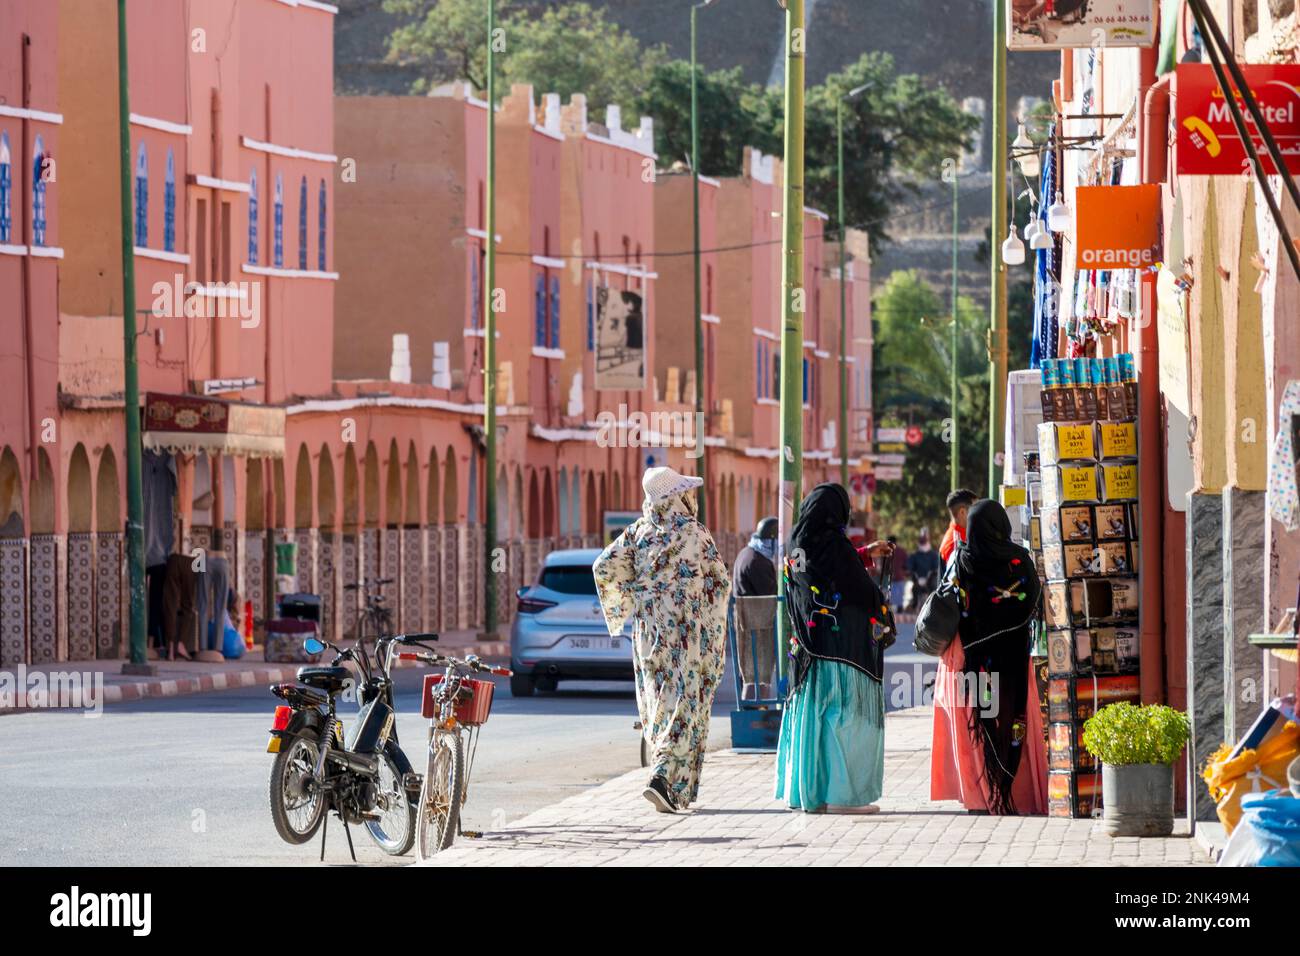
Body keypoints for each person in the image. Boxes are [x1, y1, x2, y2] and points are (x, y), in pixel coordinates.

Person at [593, 466, 730, 814]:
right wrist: (704, 613)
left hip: (649, 634)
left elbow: (603, 567)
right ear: (678, 496)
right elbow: (721, 582)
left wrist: (632, 600)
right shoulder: (694, 534)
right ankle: (663, 776)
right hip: (688, 636)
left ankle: (668, 785)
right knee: (686, 703)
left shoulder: (638, 532)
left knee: (658, 701)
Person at [775, 483, 895, 814]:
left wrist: (862, 554)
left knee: (810, 719)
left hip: (807, 654)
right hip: (839, 656)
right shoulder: (832, 544)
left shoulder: (797, 542)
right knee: (842, 721)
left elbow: (826, 574)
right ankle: (842, 797)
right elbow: (856, 588)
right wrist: (880, 605)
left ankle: (804, 793)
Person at [931, 499, 1046, 815]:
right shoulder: (1019, 561)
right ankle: (1018, 796)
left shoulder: (963, 560)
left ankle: (983, 797)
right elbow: (1034, 600)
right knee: (1013, 723)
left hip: (975, 663)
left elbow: (950, 602)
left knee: (980, 733)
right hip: (1014, 664)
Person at [732, 516, 779, 700]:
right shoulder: (757, 560)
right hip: (757, 628)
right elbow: (770, 596)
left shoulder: (747, 552)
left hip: (749, 625)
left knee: (753, 679)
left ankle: (754, 714)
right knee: (757, 680)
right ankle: (755, 718)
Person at [906, 528, 941, 610]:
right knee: (914, 589)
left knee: (934, 588)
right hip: (918, 579)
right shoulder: (915, 555)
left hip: (930, 579)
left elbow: (936, 567)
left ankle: (934, 606)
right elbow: (910, 567)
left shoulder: (934, 555)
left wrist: (929, 575)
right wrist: (915, 576)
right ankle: (914, 605)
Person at [940, 488, 978, 565]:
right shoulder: (954, 544)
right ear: (962, 512)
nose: (980, 513)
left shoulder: (968, 533)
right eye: (976, 509)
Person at [887, 535, 909, 611]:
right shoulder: (901, 551)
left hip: (894, 577)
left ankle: (894, 611)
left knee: (893, 596)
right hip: (898, 577)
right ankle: (898, 610)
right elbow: (906, 564)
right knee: (898, 596)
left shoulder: (888, 551)